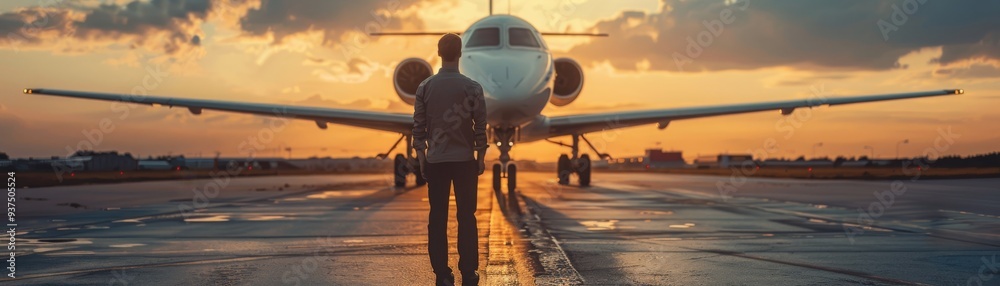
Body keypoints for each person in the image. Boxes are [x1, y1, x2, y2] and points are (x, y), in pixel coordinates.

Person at [412, 33, 488, 286]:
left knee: (438, 218)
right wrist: (480, 155)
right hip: (465, 161)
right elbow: (481, 126)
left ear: (439, 53)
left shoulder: (425, 87)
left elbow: (419, 128)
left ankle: (442, 274)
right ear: (460, 53)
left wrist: (422, 157)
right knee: (467, 216)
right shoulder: (473, 87)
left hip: (436, 162)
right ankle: (469, 271)